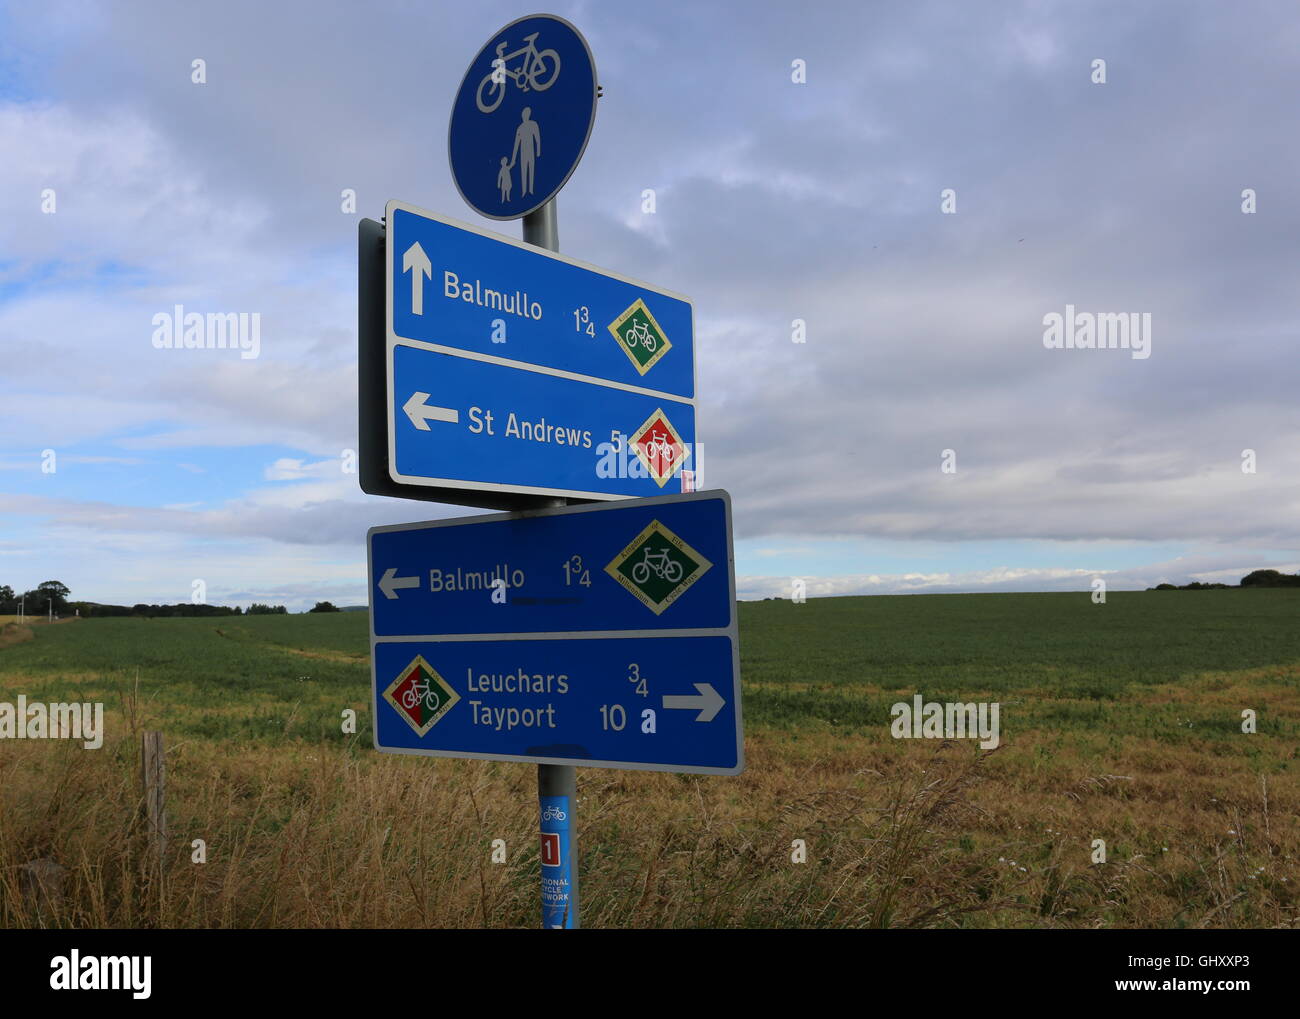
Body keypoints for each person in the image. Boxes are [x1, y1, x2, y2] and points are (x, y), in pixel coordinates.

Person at [510, 107, 541, 197]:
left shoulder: (533, 124)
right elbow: (516, 144)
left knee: (531, 169)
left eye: (526, 114)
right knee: (523, 171)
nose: (524, 116)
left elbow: (537, 138)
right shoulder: (520, 128)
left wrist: (538, 151)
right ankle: (524, 191)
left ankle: (530, 189)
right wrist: (513, 159)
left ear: (529, 115)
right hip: (522, 152)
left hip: (531, 151)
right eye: (523, 114)